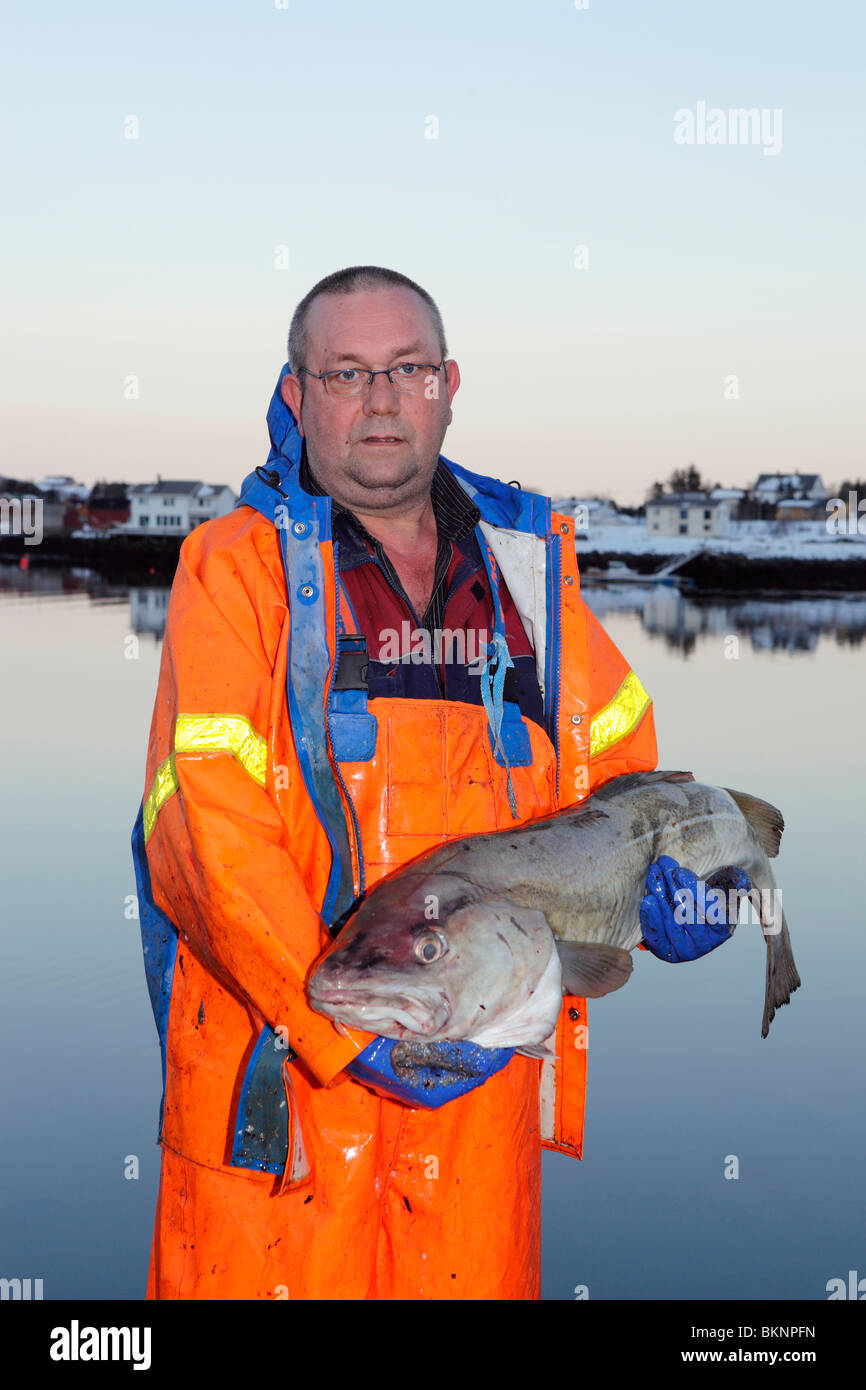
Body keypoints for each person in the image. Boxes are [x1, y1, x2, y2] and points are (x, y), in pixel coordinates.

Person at [131, 266, 743, 1301]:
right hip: (279, 1110)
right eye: (347, 372)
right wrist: (344, 1024)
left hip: (476, 1113)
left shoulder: (525, 577)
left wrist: (678, 878)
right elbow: (205, 835)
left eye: (406, 368)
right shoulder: (236, 570)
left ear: (449, 384)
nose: (380, 398)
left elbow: (619, 774)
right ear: (297, 395)